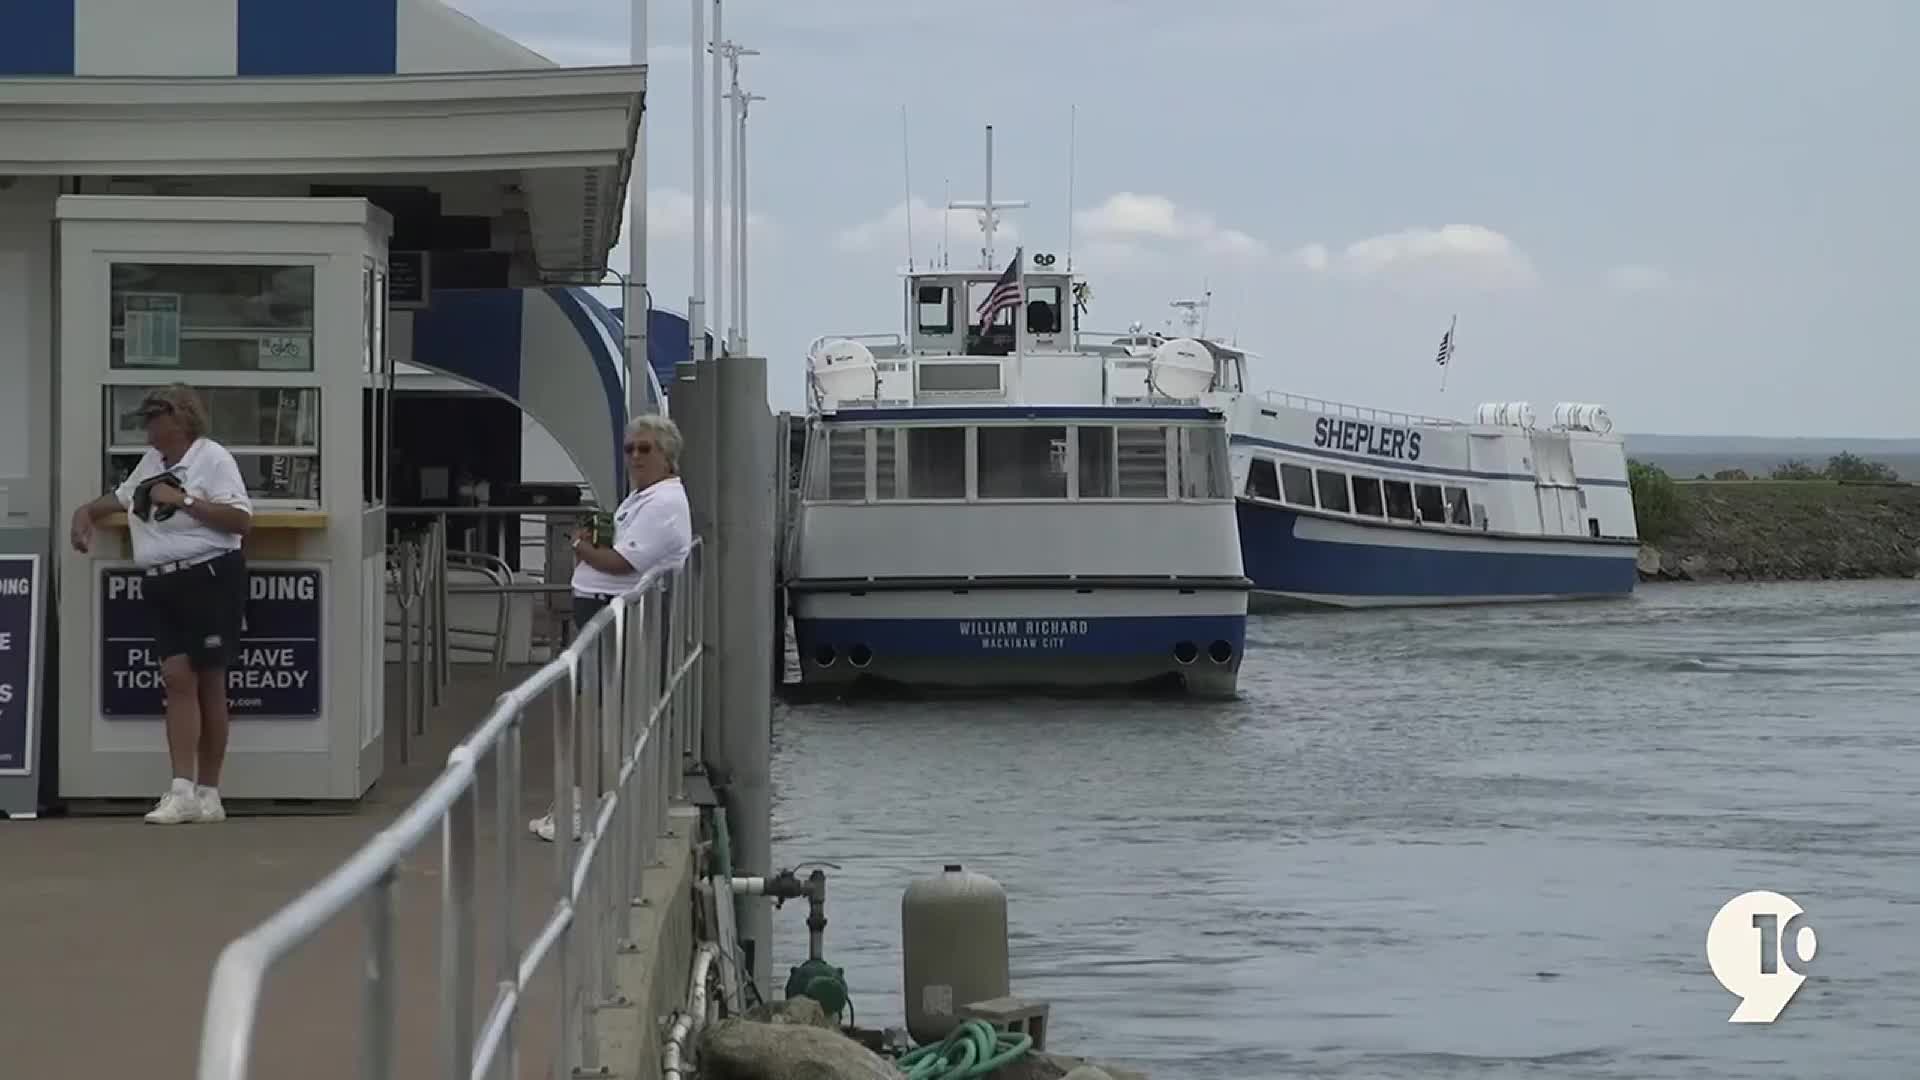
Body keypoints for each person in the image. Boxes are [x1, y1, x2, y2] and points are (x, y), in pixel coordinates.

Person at [69, 383, 253, 825]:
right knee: (176, 678)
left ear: (179, 419)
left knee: (209, 680)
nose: (148, 429)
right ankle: (182, 788)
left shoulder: (212, 458)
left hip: (208, 575)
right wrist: (85, 513)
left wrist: (185, 500)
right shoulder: (152, 463)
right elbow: (123, 496)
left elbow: (241, 519)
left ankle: (208, 792)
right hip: (162, 582)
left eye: (154, 419)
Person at [531, 413, 692, 841]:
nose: (635, 456)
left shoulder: (663, 504)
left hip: (620, 618)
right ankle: (589, 799)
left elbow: (622, 562)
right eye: (630, 449)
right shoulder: (642, 497)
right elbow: (618, 550)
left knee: (606, 714)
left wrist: (580, 546)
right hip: (605, 615)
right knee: (594, 710)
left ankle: (599, 806)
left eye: (646, 449)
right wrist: (593, 545)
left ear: (667, 456)